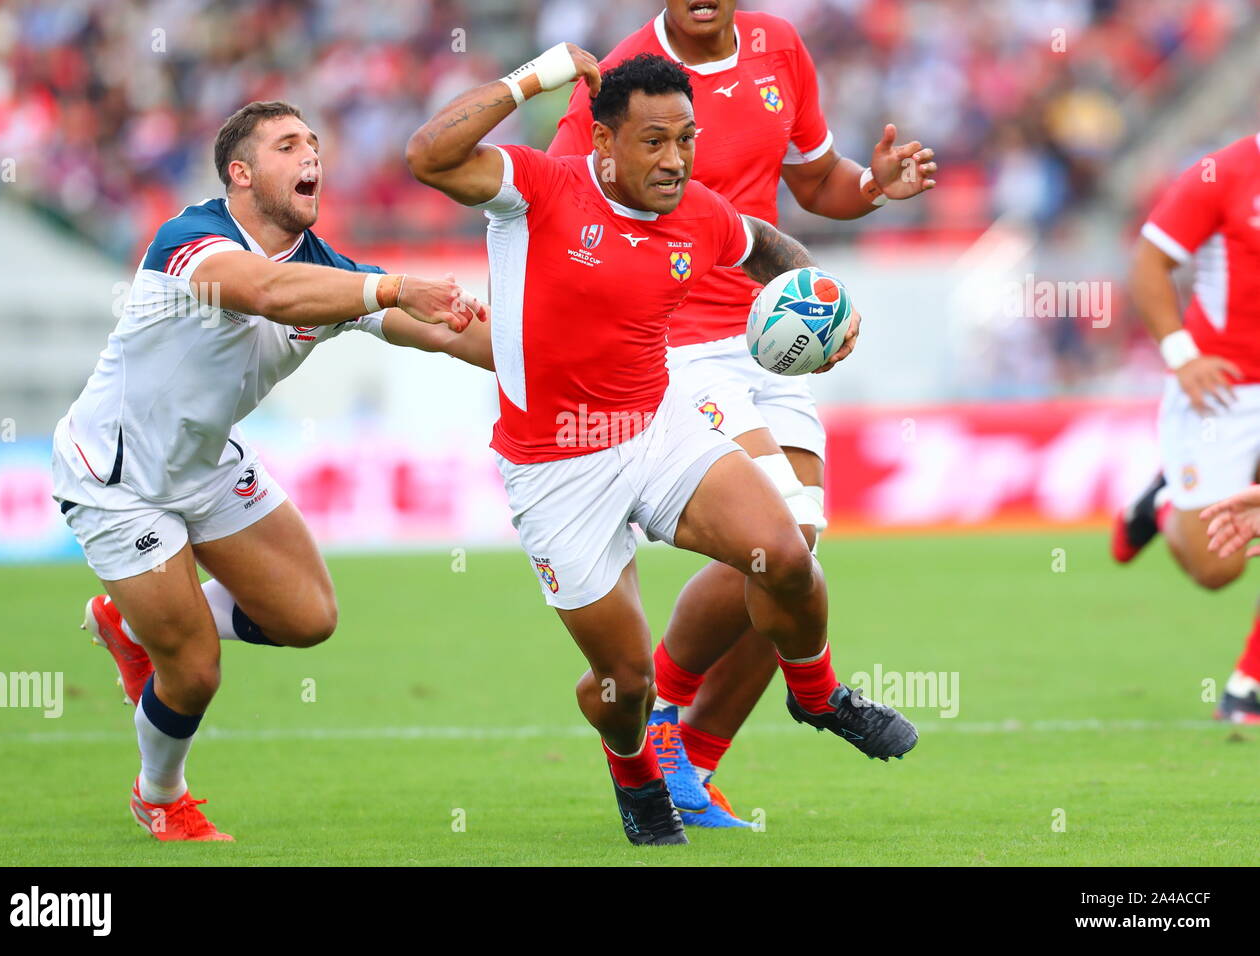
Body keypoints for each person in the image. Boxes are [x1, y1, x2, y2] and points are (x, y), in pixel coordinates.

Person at [405, 46, 917, 846]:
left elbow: (765, 245)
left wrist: (826, 308)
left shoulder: (698, 211)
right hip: (555, 468)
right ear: (602, 143)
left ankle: (817, 696)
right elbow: (427, 155)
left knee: (786, 555)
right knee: (624, 682)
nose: (675, 159)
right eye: (653, 141)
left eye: (685, 139)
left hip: (657, 425)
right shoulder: (540, 186)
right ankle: (634, 766)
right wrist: (532, 78)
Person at [546, 0, 937, 825]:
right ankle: (675, 713)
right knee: (781, 535)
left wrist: (873, 187)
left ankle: (695, 765)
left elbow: (815, 182)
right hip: (675, 338)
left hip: (769, 334)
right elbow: (559, 204)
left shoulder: (778, 47)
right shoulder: (623, 80)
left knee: (796, 557)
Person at [55, 100, 489, 841]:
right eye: (289, 145)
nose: (311, 155)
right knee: (191, 670)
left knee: (307, 618)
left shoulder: (328, 271)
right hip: (117, 478)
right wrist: (388, 288)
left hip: (207, 461)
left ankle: (132, 620)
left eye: (315, 143)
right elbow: (262, 291)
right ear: (242, 173)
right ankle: (161, 795)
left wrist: (553, 356)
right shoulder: (189, 240)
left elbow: (446, 332)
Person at [1111, 131, 1260, 724]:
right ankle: (1163, 500)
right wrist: (1183, 355)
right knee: (1218, 568)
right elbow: (1149, 263)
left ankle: (1246, 687)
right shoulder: (1225, 171)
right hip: (1220, 390)